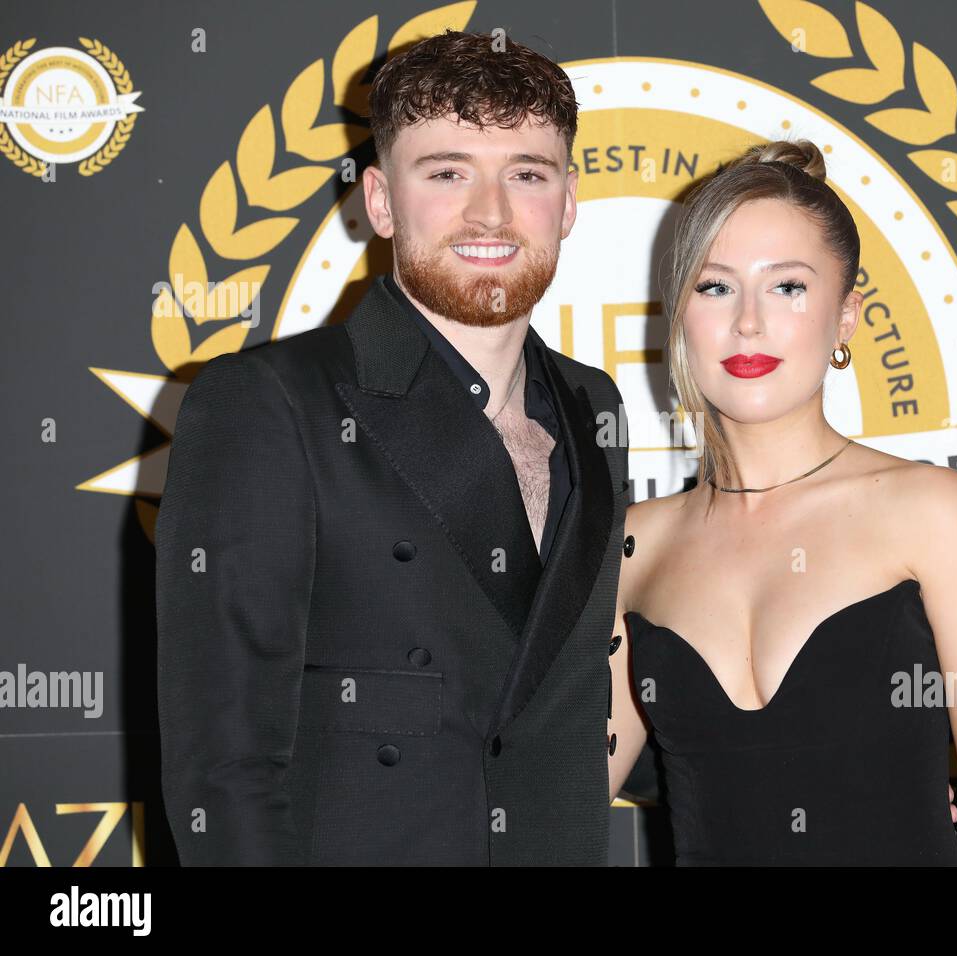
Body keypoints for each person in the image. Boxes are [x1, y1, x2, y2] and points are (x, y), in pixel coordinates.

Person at [155, 30, 628, 865]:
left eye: (527, 174)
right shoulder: (268, 404)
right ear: (379, 201)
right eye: (447, 173)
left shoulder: (595, 407)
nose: (491, 212)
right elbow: (225, 767)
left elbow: (567, 701)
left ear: (568, 201)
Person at [606, 140, 957, 865]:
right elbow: (558, 792)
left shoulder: (930, 512)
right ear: (679, 313)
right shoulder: (634, 546)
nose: (748, 322)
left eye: (787, 287)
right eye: (715, 287)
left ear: (845, 318)